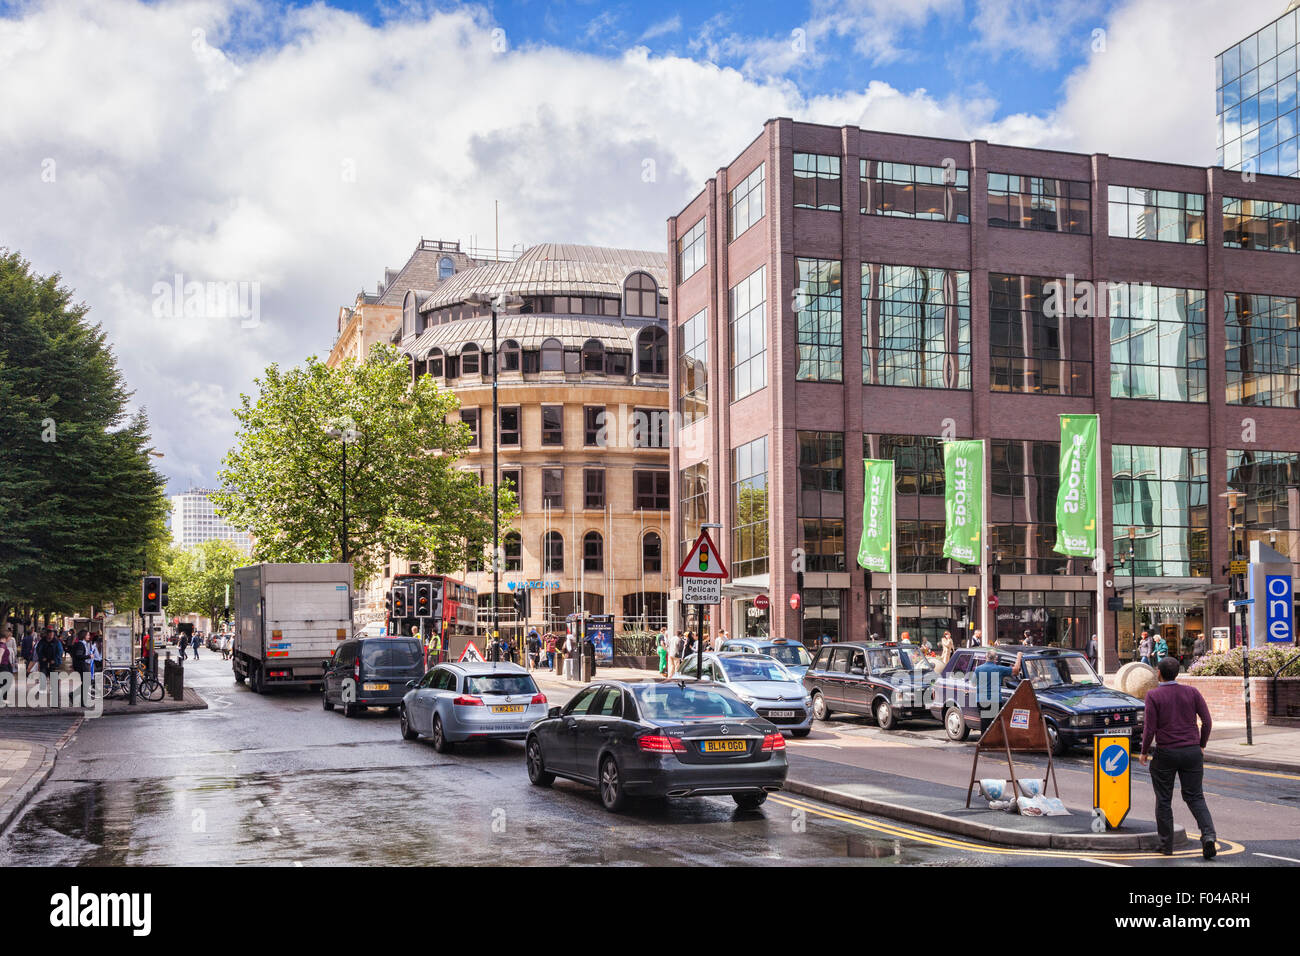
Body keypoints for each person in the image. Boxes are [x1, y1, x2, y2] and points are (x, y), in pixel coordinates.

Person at [1140, 655, 1218, 859]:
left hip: (1166, 753)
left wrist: (1143, 752)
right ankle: (1208, 835)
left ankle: (1166, 846)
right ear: (1177, 673)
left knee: (1164, 800)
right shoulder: (1192, 692)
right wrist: (1201, 745)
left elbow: (1150, 729)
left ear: (1159, 673)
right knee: (1195, 797)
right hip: (1192, 751)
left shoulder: (1153, 695)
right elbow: (1207, 722)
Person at [972, 649, 1023, 734]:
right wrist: (1019, 656)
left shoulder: (978, 669)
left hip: (982, 700)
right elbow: (1016, 670)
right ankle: (993, 743)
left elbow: (973, 683)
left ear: (986, 657)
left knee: (984, 724)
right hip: (995, 701)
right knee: (995, 724)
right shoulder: (999, 669)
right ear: (995, 658)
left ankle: (984, 744)